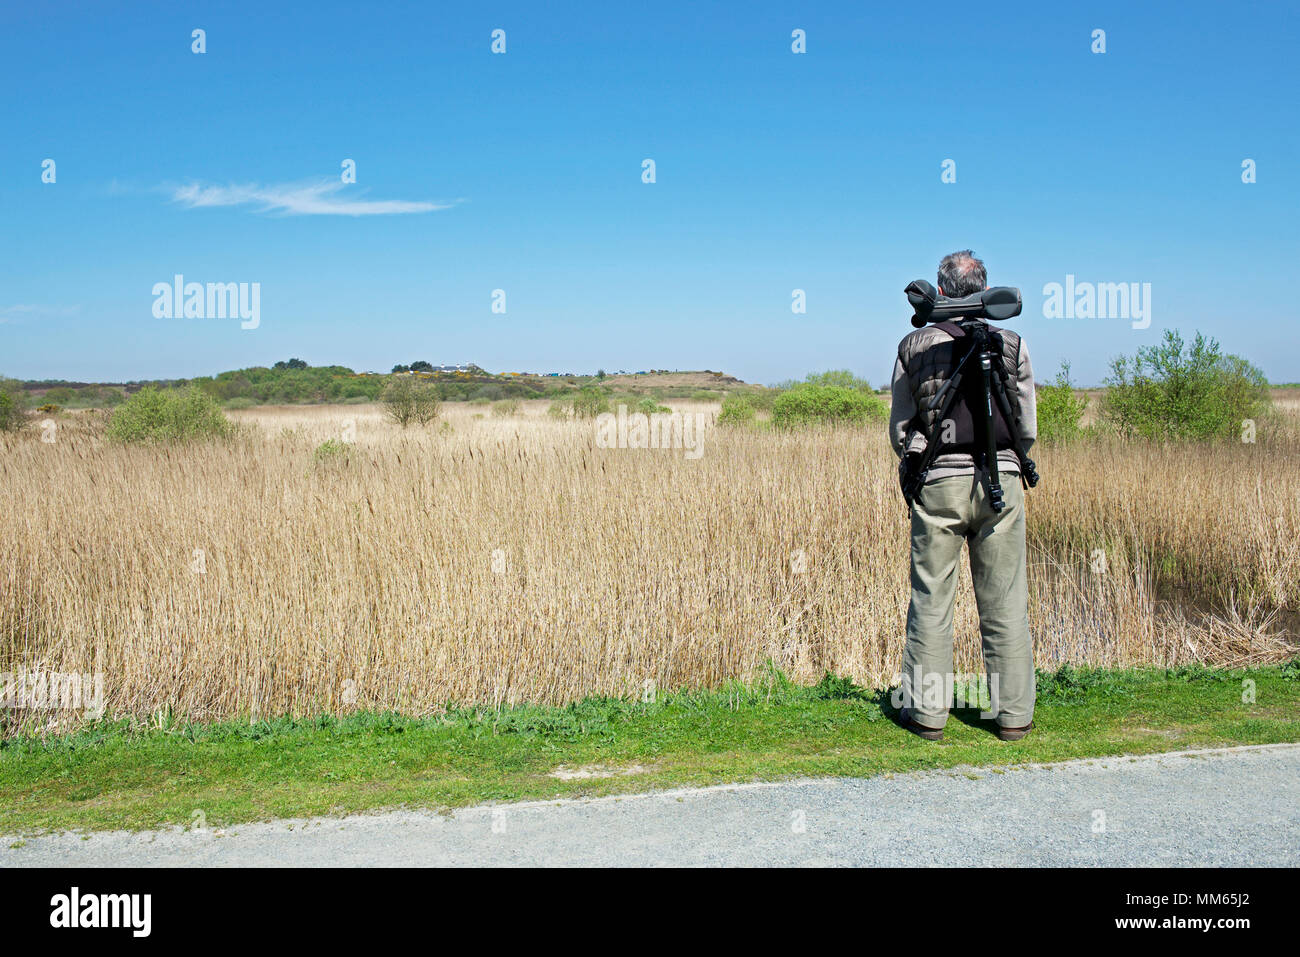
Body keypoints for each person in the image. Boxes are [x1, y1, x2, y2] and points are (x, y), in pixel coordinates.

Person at [888, 250, 1037, 742]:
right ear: (985, 288)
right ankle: (1013, 717)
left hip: (939, 485)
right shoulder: (1012, 343)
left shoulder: (914, 345)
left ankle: (928, 716)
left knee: (931, 599)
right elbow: (1026, 428)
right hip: (1003, 483)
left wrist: (916, 459)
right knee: (1006, 601)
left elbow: (903, 428)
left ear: (942, 289)